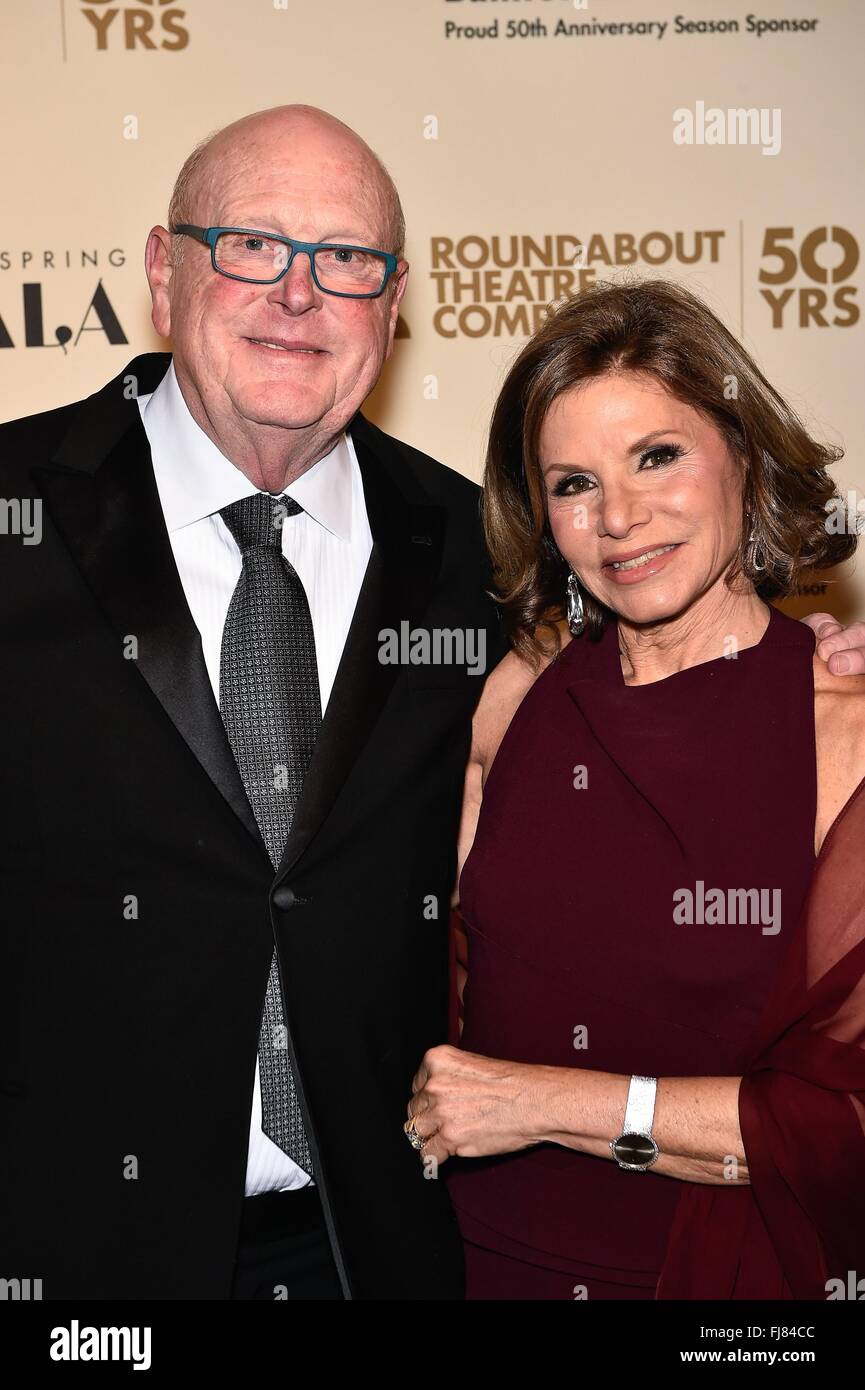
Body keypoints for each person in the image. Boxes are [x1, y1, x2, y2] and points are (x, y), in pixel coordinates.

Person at [0, 105, 506, 1300]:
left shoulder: (480, 551)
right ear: (164, 276)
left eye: (345, 259)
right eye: (251, 245)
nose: (298, 294)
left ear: (392, 306)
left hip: (371, 1247)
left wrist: (798, 667)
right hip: (58, 1248)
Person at [403, 279, 865, 1300]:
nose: (617, 515)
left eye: (657, 455)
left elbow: (842, 1126)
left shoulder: (844, 732)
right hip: (475, 1270)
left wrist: (549, 1103)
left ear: (740, 455)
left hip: (718, 1287)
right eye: (572, 482)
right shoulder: (515, 699)